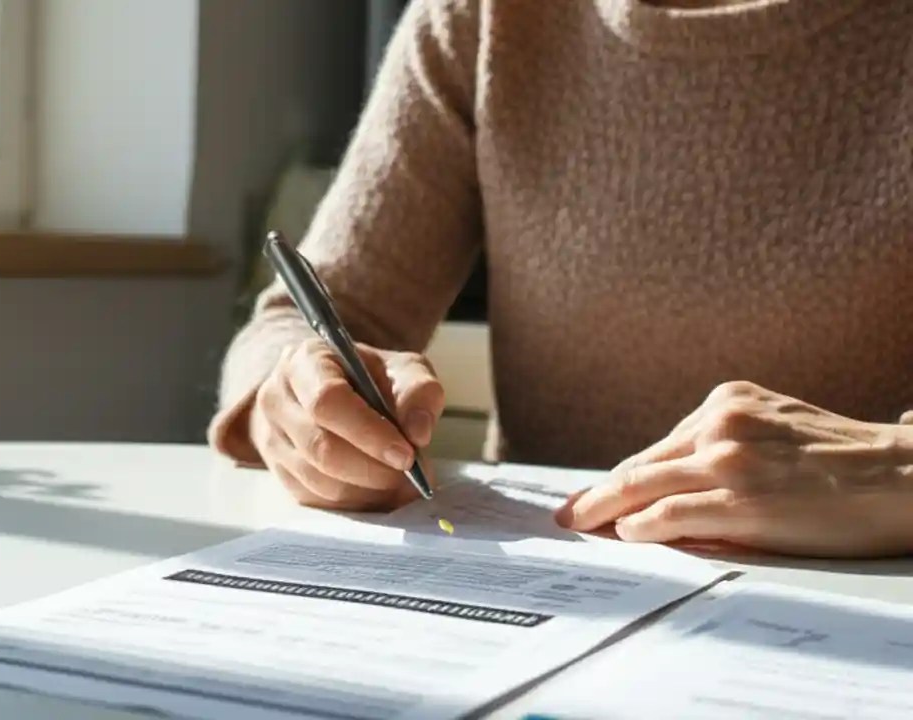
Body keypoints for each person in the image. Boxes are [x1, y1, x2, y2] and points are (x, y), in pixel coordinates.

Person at [208, 0, 913, 558]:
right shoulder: (486, 18)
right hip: (540, 599)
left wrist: (898, 468)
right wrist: (297, 398)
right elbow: (304, 319)